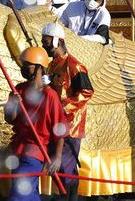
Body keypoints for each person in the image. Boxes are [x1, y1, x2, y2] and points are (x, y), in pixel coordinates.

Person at [4, 46, 66, 201]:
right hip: (17, 148)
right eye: (23, 65)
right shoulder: (19, 90)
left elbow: (60, 129)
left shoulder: (50, 95)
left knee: (18, 194)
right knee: (29, 193)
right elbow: (9, 118)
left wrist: (57, 157)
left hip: (35, 152)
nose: (23, 68)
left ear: (39, 67)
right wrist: (13, 104)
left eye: (27, 65)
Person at [41, 22, 94, 201]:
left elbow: (87, 92)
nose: (44, 45)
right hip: (53, 124)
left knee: (67, 167)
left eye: (47, 41)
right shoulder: (51, 66)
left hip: (70, 126)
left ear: (58, 41)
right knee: (58, 168)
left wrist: (63, 107)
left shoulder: (74, 65)